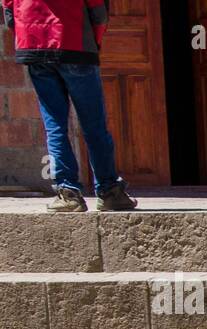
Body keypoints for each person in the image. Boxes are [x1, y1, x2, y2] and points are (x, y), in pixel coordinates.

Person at [2, 0, 138, 212]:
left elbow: (9, 14)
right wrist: (94, 41)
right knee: (94, 126)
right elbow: (99, 13)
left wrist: (28, 38)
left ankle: (68, 193)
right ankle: (109, 190)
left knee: (55, 125)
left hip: (35, 49)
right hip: (76, 45)